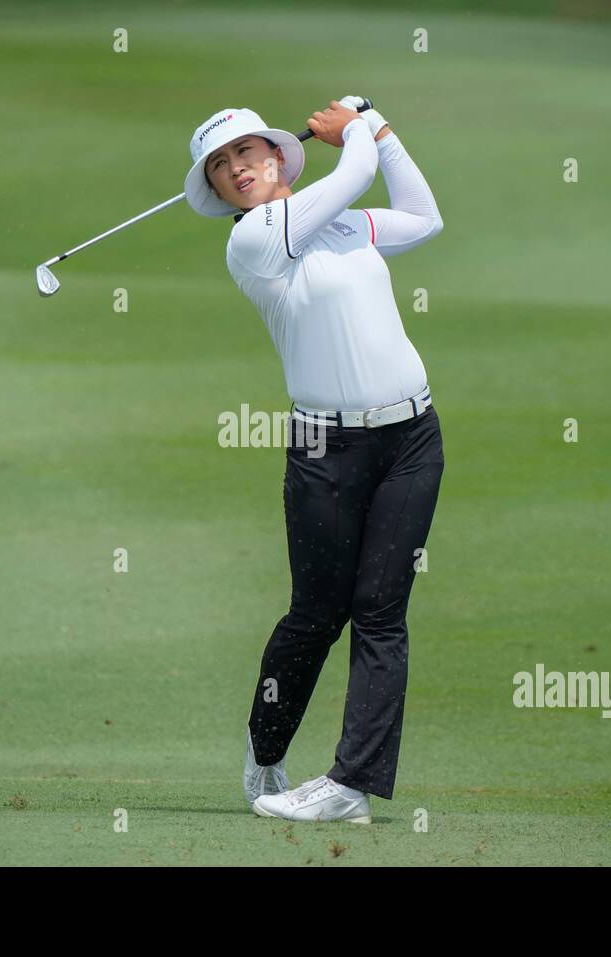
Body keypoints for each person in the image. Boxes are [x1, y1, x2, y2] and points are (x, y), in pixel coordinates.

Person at [184, 97, 445, 823]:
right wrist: (358, 129)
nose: (237, 169)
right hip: (324, 447)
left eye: (247, 152)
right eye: (220, 165)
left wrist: (385, 132)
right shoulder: (254, 241)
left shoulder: (342, 226)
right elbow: (354, 168)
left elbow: (424, 218)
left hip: (412, 439)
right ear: (216, 186)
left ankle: (349, 784)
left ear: (278, 157)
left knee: (381, 613)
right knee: (316, 613)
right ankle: (266, 750)